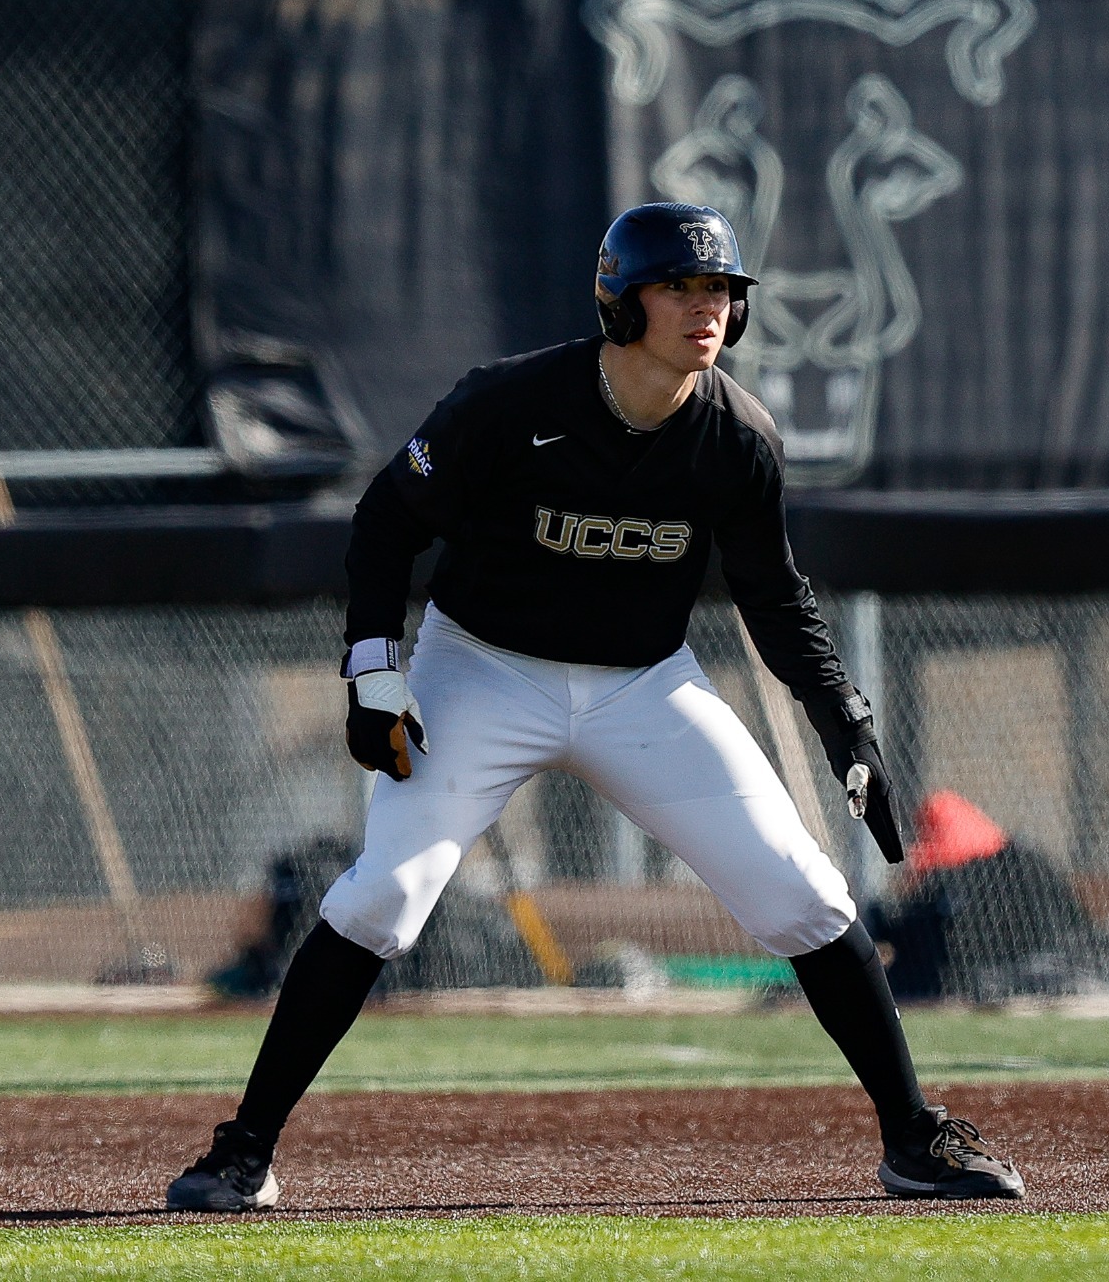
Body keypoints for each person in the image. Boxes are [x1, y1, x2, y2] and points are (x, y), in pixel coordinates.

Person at [166, 203, 1024, 1212]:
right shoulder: (507, 402)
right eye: (681, 288)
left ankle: (912, 1138)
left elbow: (772, 593)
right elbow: (384, 521)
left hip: (640, 684)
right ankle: (244, 1150)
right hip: (481, 669)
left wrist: (846, 720)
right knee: (380, 898)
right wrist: (372, 674)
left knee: (802, 893)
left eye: (720, 292)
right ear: (620, 301)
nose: (705, 309)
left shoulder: (735, 435)